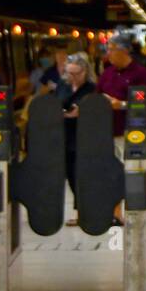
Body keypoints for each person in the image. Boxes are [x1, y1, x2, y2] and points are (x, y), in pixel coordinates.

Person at [96, 32, 146, 157]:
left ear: (124, 51)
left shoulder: (140, 74)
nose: (108, 53)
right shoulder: (107, 73)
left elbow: (142, 103)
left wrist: (121, 104)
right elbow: (97, 95)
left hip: (132, 133)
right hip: (108, 133)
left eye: (111, 49)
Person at [62, 53, 97, 225]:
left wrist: (82, 111)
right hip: (65, 136)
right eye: (70, 73)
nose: (73, 77)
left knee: (81, 174)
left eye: (77, 73)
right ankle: (80, 211)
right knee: (70, 174)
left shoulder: (91, 89)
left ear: (85, 71)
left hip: (84, 136)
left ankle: (84, 212)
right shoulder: (63, 87)